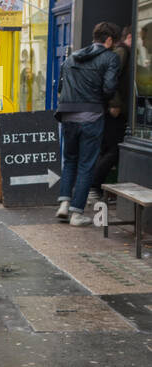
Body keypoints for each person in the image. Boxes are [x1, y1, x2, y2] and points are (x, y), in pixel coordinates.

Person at [56, 21, 122, 226]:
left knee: (70, 161)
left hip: (67, 115)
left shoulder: (72, 57)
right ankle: (76, 213)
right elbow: (110, 87)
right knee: (86, 165)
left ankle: (64, 204)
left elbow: (60, 86)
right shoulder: (110, 57)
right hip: (92, 116)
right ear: (109, 40)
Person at [91, 26, 131, 201]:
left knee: (109, 149)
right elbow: (111, 77)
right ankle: (94, 185)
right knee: (113, 150)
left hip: (111, 108)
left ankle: (97, 187)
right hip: (114, 110)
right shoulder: (122, 51)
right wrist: (114, 104)